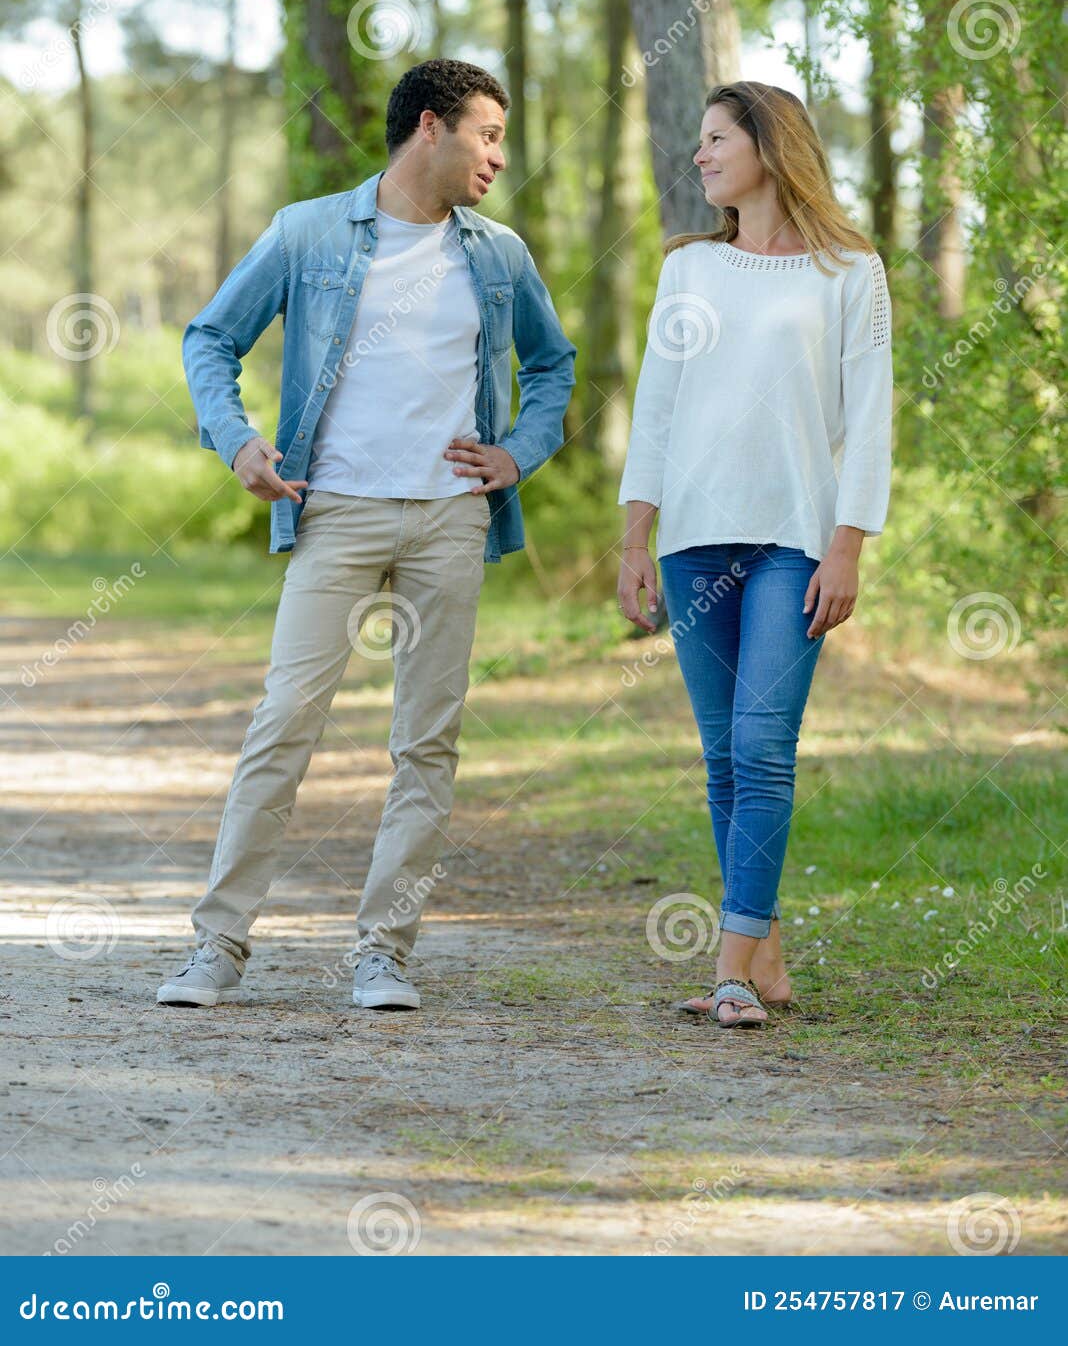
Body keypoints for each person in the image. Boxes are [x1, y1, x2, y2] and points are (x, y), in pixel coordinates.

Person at [157, 59, 576, 1011]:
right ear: (431, 127)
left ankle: (383, 953)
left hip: (449, 518)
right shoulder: (308, 232)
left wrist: (519, 453)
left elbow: (555, 367)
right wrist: (237, 443)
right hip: (334, 509)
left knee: (427, 741)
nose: (498, 157)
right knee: (284, 725)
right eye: (488, 134)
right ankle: (216, 947)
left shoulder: (499, 253)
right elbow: (209, 336)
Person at [616, 80, 893, 1029]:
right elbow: (656, 407)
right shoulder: (688, 269)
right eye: (697, 140)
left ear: (769, 149)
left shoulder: (851, 272)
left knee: (764, 746)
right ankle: (764, 959)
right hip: (695, 537)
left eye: (716, 139)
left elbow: (871, 421)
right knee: (725, 758)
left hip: (796, 543)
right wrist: (635, 537)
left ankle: (730, 972)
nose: (699, 155)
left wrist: (848, 544)